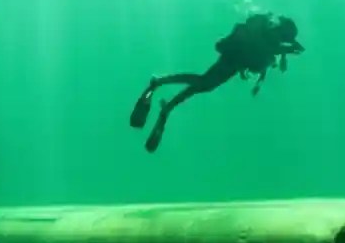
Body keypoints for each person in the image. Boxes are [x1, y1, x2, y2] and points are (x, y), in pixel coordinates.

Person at [129, 13, 304, 153]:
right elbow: (266, 49)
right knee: (203, 83)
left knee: (202, 85)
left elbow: (265, 52)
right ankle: (161, 83)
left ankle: (168, 103)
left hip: (234, 60)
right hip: (232, 60)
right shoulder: (272, 36)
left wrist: (286, 50)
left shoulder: (271, 31)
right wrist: (288, 49)